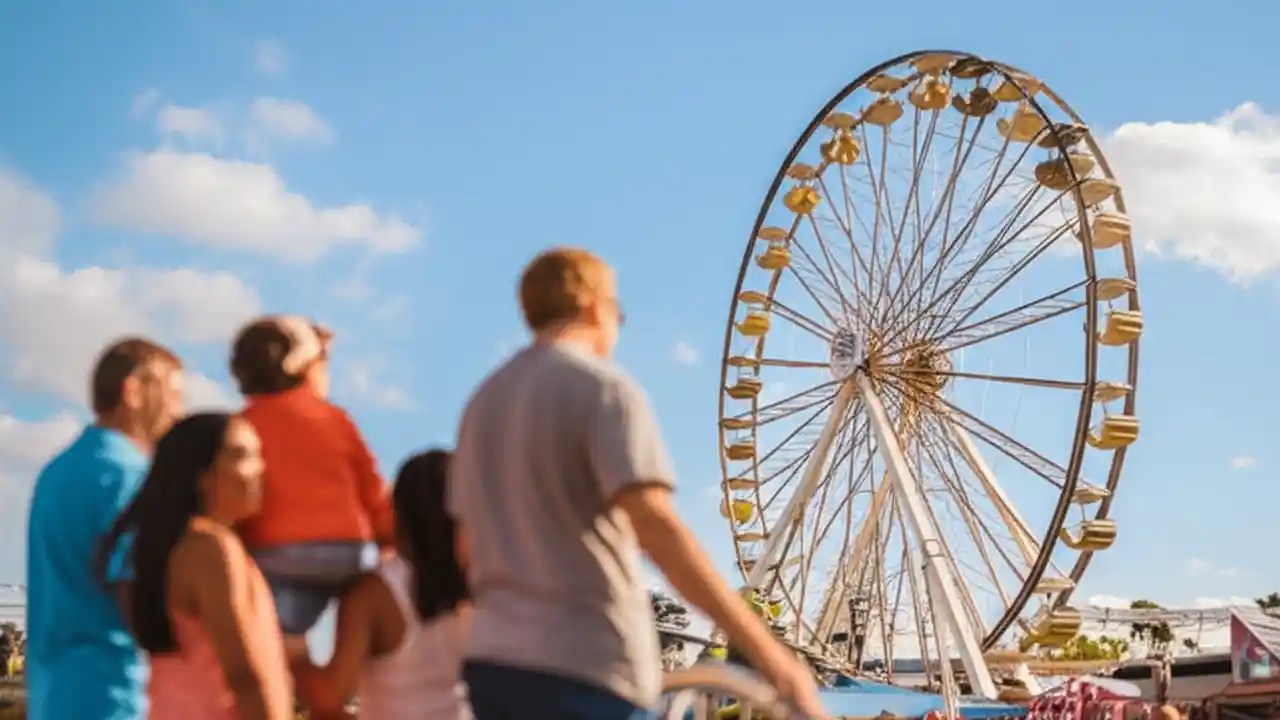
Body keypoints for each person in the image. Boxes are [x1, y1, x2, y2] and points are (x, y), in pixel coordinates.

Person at [449, 247, 829, 719]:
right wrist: (771, 657)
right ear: (594, 306)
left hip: (493, 664)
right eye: (618, 312)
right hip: (582, 660)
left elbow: (465, 547)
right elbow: (657, 528)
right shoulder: (602, 388)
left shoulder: (482, 404)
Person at [24, 337, 184, 720]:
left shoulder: (57, 472)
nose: (178, 413)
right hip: (111, 692)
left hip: (54, 695)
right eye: (173, 395)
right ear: (133, 391)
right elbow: (138, 597)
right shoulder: (128, 475)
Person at [99, 413, 293, 720]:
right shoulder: (210, 548)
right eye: (243, 455)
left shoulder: (166, 547)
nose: (261, 468)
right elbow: (243, 675)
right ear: (201, 474)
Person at [229, 315, 395, 646]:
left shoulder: (242, 426)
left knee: (279, 631)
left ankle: (290, 661)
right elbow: (372, 489)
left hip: (274, 552)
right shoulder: (335, 420)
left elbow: (236, 500)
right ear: (307, 369)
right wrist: (388, 541)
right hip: (350, 552)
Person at [295, 450, 470, 719]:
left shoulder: (373, 592)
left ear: (397, 511)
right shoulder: (480, 587)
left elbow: (329, 698)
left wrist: (294, 654)